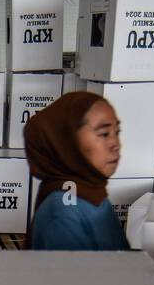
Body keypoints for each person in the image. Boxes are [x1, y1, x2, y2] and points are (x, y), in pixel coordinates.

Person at [23, 92, 127, 251]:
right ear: (68, 142)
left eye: (117, 132)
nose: (116, 144)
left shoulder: (89, 192)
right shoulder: (64, 217)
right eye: (104, 134)